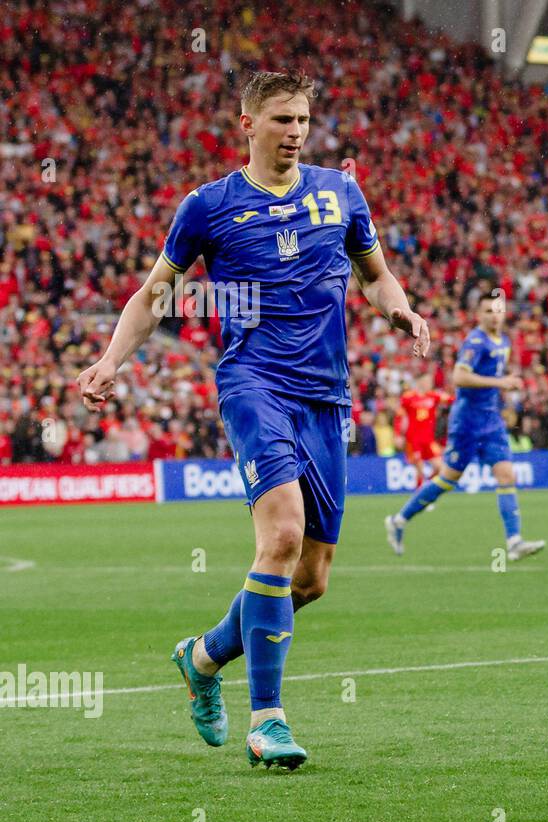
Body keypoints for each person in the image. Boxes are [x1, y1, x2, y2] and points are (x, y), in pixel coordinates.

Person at [77, 71, 429, 771]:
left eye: (302, 119)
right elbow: (154, 297)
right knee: (282, 537)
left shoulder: (340, 192)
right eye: (281, 120)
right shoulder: (208, 206)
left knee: (311, 579)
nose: (295, 132)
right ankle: (267, 720)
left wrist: (399, 308)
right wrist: (111, 359)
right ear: (247, 123)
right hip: (253, 384)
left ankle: (202, 657)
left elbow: (375, 274)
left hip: (328, 397)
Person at [385, 295, 545, 561]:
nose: (494, 316)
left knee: (506, 475)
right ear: (478, 315)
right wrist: (500, 383)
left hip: (491, 419)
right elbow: (459, 377)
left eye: (497, 311)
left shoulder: (503, 341)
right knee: (448, 479)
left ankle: (514, 542)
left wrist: (499, 389)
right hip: (467, 421)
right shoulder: (475, 341)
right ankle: (399, 520)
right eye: (487, 311)